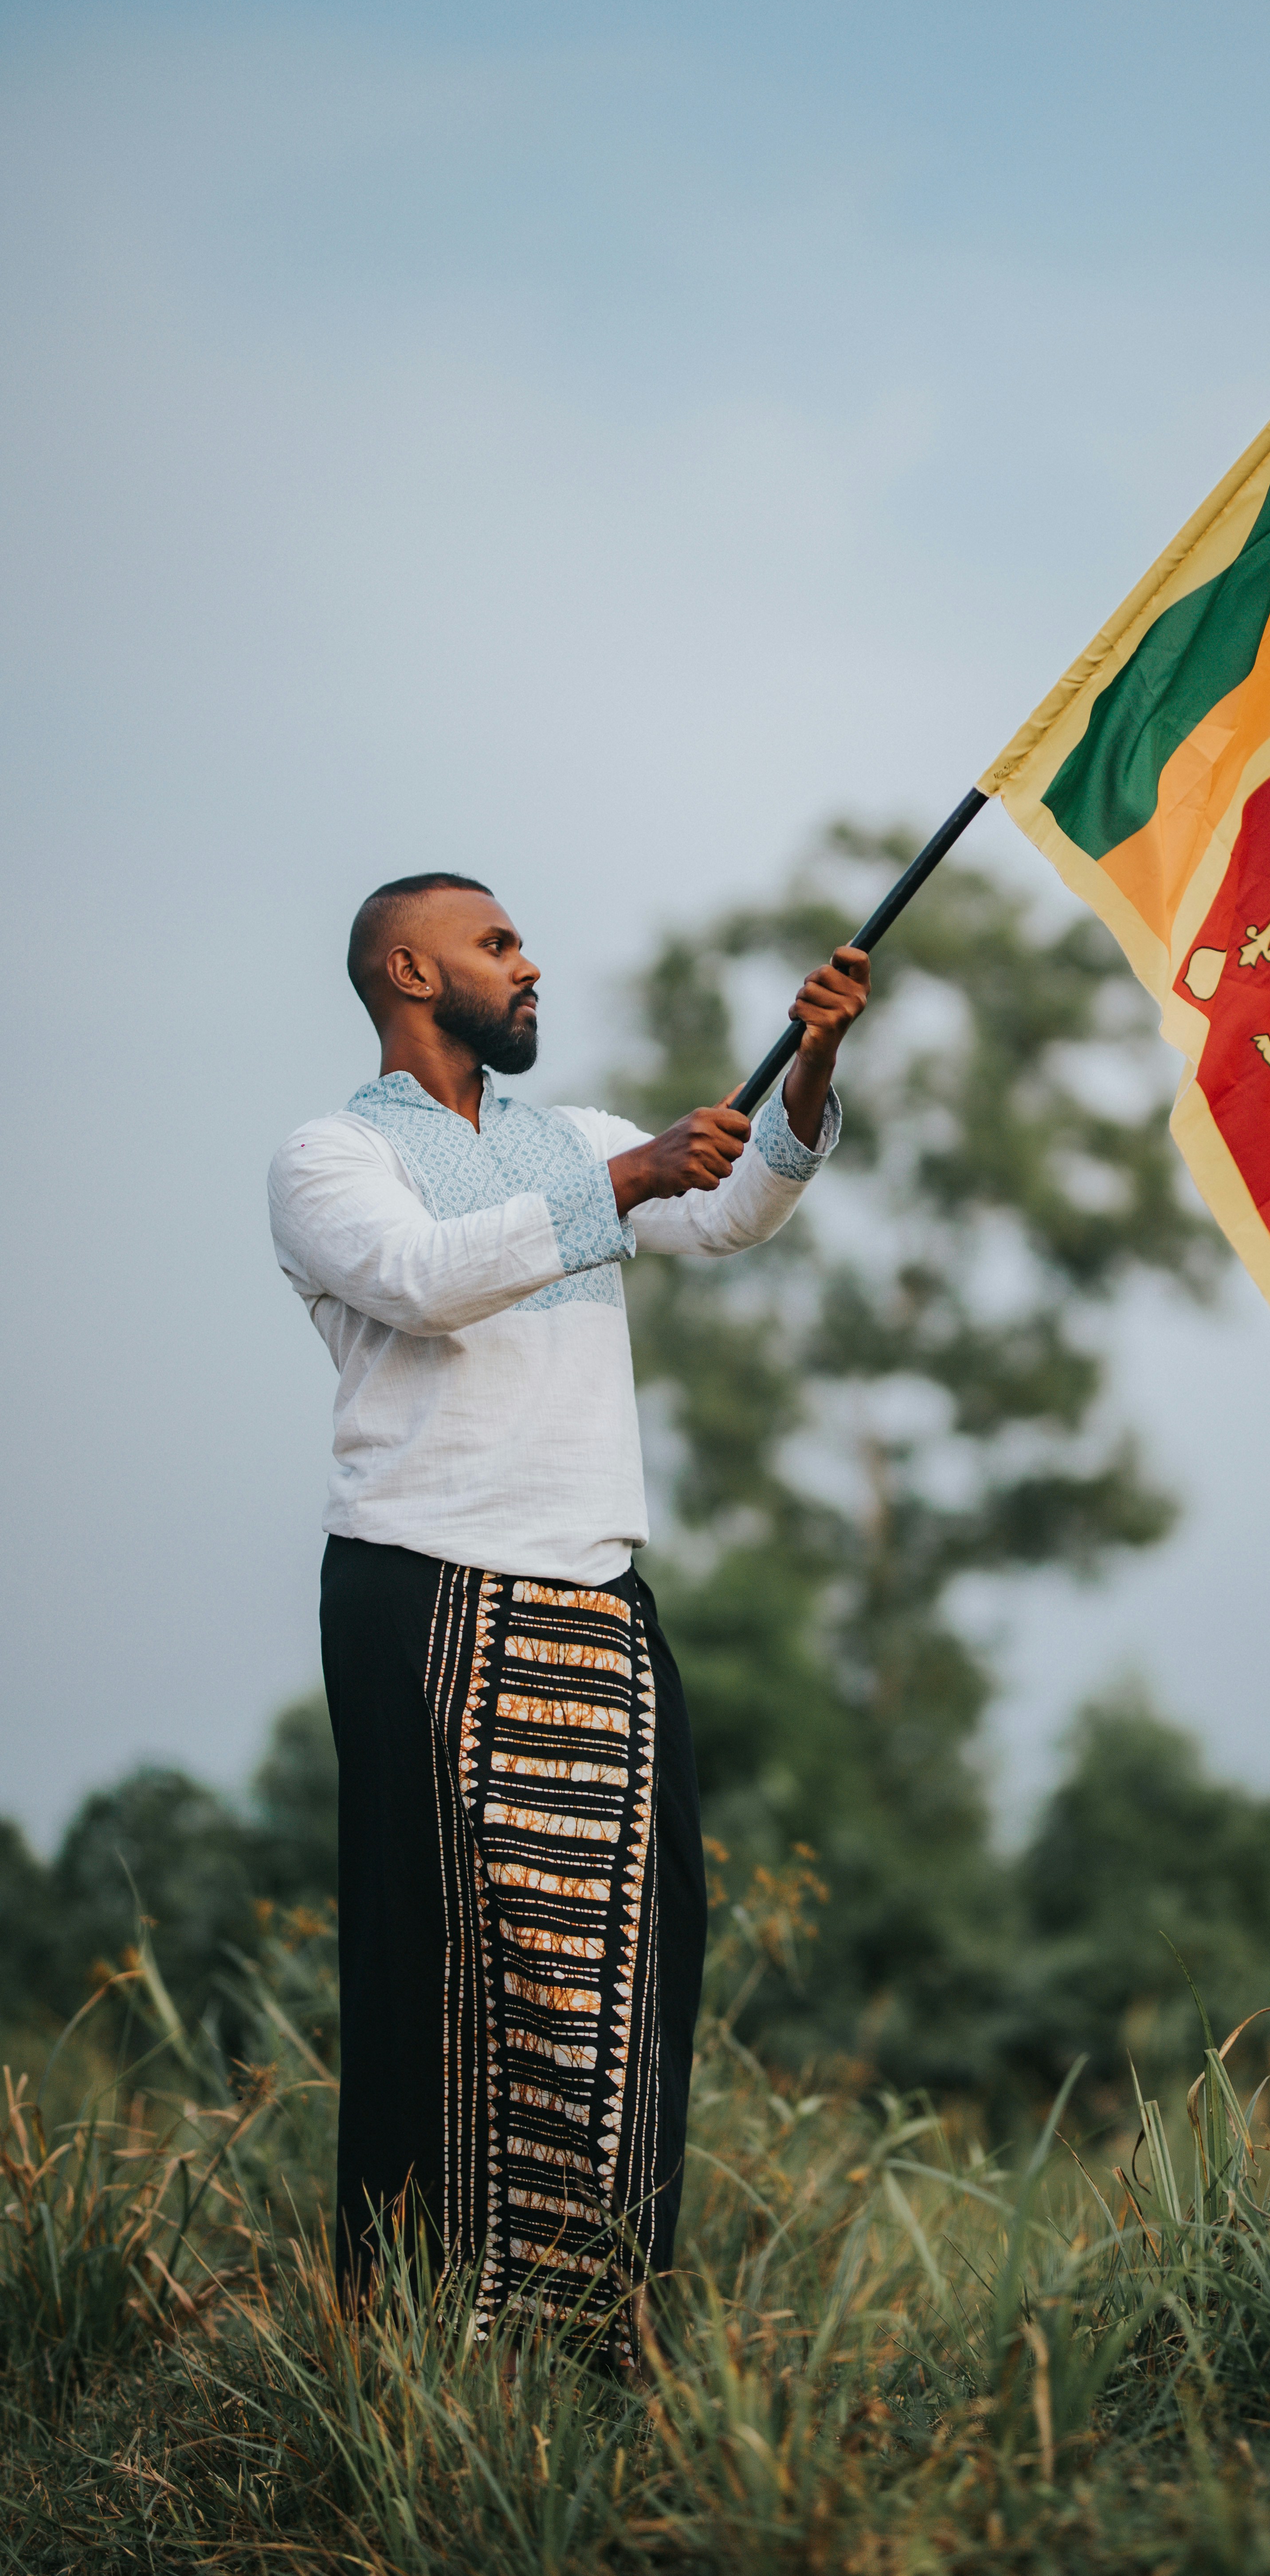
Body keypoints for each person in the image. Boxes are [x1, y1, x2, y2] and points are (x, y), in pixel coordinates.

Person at [268, 870, 868, 2342]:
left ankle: (587, 2337)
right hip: (424, 1593)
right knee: (448, 1970)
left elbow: (727, 1216)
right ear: (410, 971)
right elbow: (418, 1283)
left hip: (597, 1600)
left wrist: (811, 1063)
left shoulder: (572, 1140)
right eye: (497, 943)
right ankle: (419, 2343)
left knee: (615, 1972)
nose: (529, 966)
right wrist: (623, 1185)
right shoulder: (334, 1157)